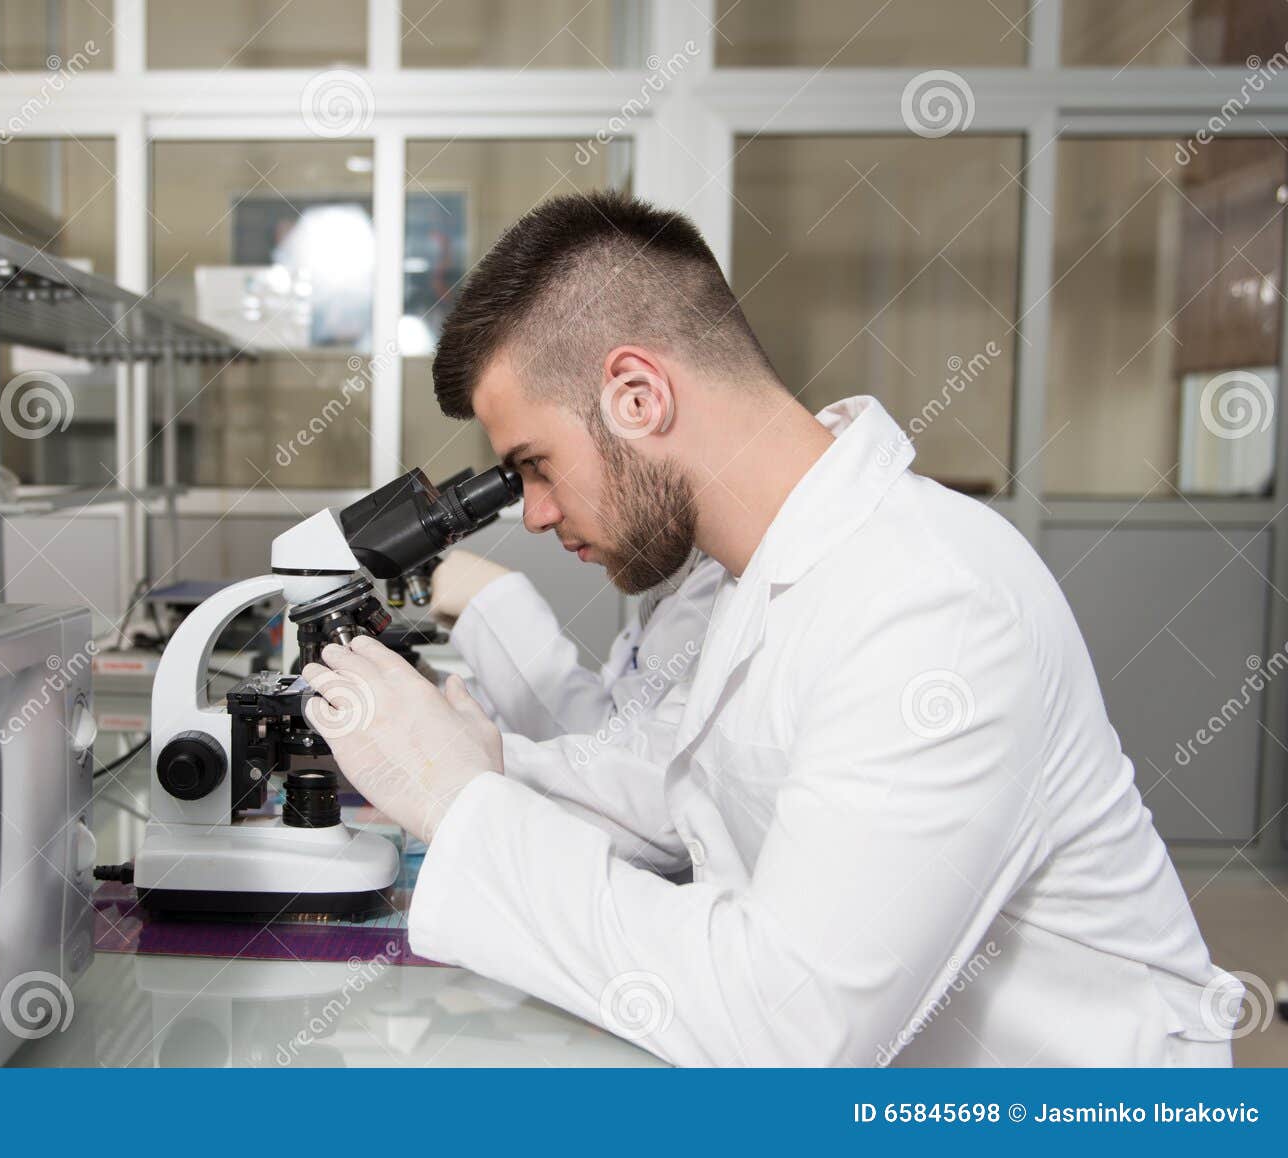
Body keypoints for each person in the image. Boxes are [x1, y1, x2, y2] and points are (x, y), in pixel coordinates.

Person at [301, 190, 1239, 1066]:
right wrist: (490, 764)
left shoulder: (929, 605)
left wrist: (459, 804)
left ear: (638, 395)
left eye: (534, 465)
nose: (535, 514)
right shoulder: (770, 573)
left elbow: (793, 1028)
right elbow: (682, 802)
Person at [428, 545, 723, 743]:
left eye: (540, 467)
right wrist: (431, 691)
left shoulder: (716, 592)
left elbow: (604, 752)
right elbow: (617, 703)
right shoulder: (679, 577)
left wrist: (497, 604)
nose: (535, 518)